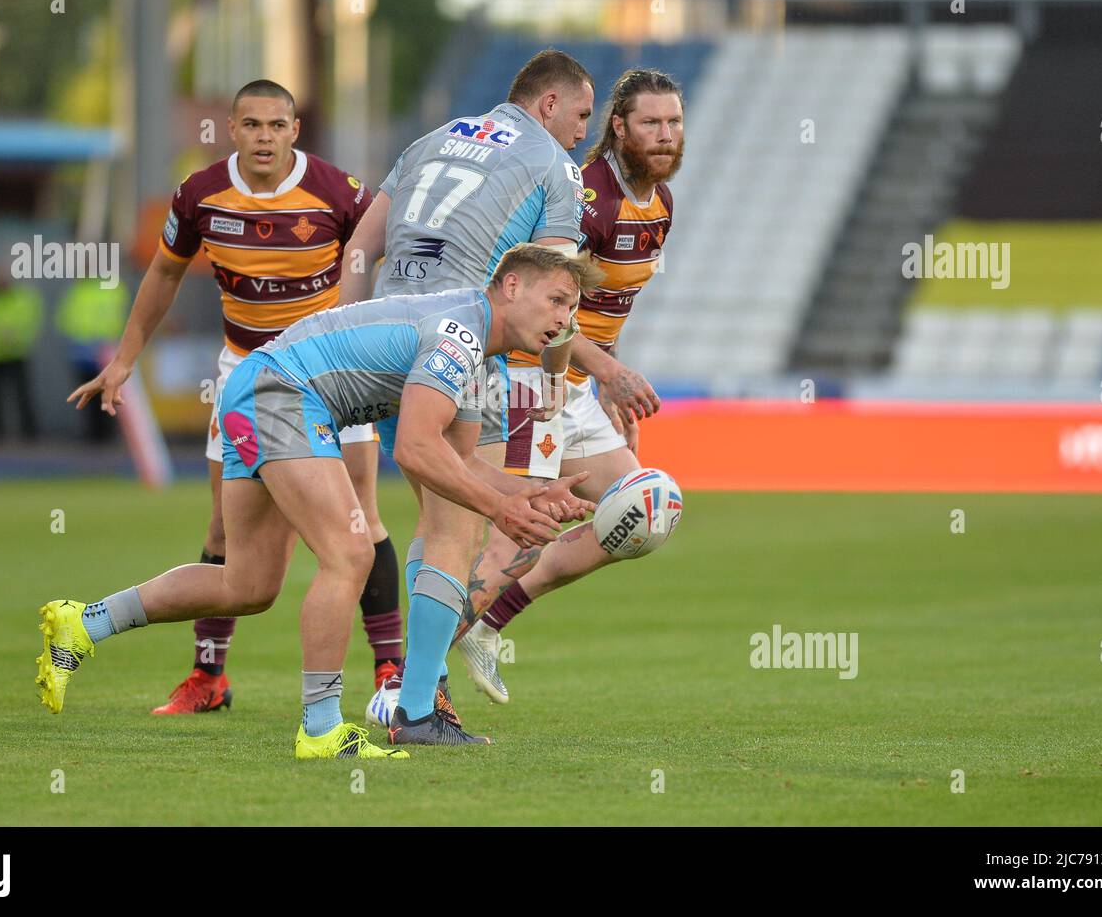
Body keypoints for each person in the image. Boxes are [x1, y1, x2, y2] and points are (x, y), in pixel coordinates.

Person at [35, 244, 598, 760]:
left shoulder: (484, 360)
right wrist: (500, 510)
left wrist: (527, 492)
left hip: (258, 390)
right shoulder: (461, 336)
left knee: (247, 586)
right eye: (556, 301)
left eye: (571, 309)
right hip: (282, 394)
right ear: (511, 287)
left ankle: (83, 624)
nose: (563, 320)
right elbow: (416, 446)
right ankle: (322, 728)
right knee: (351, 554)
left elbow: (461, 463)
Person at [339, 50, 660, 742]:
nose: (582, 132)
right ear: (548, 105)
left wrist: (346, 320)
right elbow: (550, 297)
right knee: (458, 530)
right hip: (460, 335)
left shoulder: (431, 138)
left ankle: (419, 692)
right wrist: (552, 383)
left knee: (433, 518)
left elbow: (361, 245)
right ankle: (415, 704)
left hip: (383, 330)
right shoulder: (555, 167)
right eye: (580, 115)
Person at [69, 80, 405, 714]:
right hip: (244, 378)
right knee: (225, 533)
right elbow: (165, 271)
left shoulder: (338, 191)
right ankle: (208, 678)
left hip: (331, 375)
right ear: (232, 129)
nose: (264, 138)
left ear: (294, 130)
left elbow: (388, 257)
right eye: (252, 125)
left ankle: (392, 674)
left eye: (276, 125)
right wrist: (125, 359)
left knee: (361, 517)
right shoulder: (200, 194)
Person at [455, 68, 685, 702]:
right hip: (532, 381)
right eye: (649, 123)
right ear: (619, 127)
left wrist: (610, 383)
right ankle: (410, 679)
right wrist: (609, 371)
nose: (664, 135)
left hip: (580, 387)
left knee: (643, 510)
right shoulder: (586, 199)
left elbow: (607, 312)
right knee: (511, 541)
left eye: (673, 122)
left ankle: (485, 630)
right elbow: (544, 307)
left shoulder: (659, 205)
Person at [56, 277, 129, 443]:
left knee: (107, 393)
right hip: (83, 352)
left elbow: (117, 318)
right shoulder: (76, 291)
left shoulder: (110, 289)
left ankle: (106, 434)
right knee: (87, 395)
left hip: (105, 353)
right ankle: (93, 434)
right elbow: (65, 319)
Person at [0, 274, 42, 439]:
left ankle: (30, 433)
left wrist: (15, 337)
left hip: (17, 353)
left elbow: (30, 322)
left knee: (23, 396)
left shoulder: (22, 299)